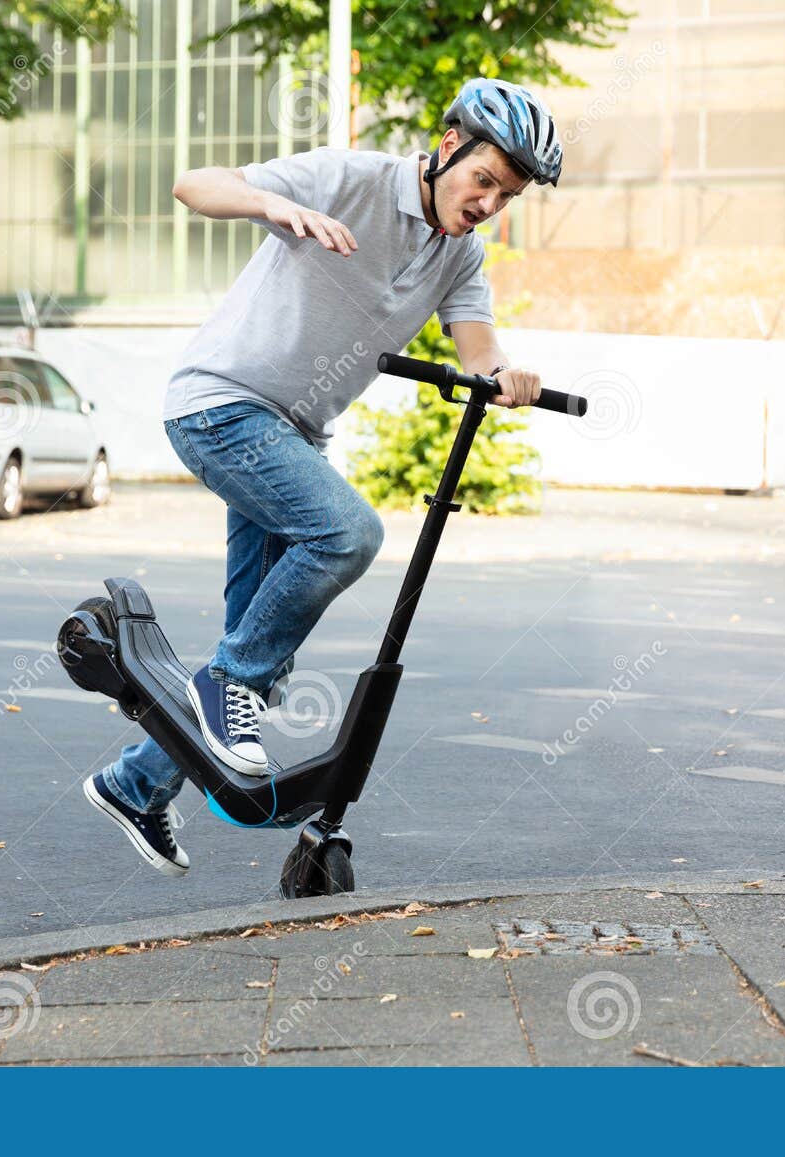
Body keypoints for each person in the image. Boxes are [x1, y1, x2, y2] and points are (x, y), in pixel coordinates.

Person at [84, 78, 564, 876]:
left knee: (262, 663)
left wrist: (505, 375)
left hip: (293, 434)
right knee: (347, 533)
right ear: (448, 147)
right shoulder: (351, 177)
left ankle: (135, 784)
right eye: (483, 181)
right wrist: (272, 206)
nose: (488, 203)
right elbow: (195, 185)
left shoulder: (460, 256)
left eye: (505, 195)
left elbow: (479, 348)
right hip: (221, 406)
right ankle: (222, 682)